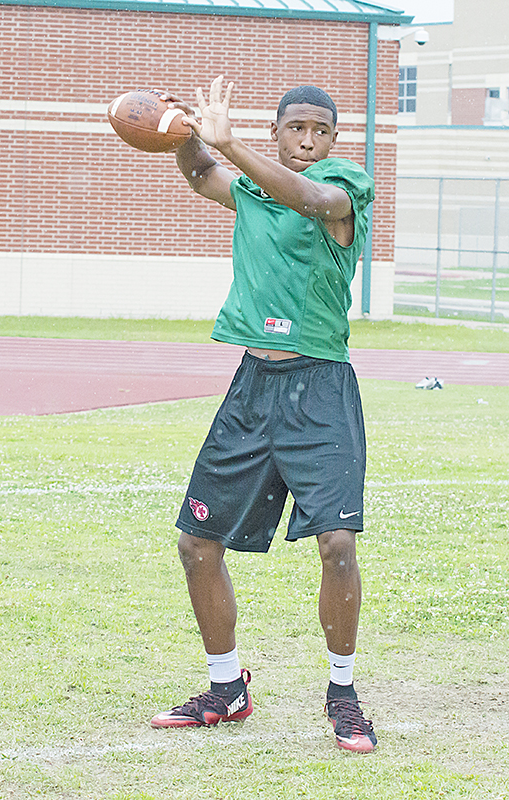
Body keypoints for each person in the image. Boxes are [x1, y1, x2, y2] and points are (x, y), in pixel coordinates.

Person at [148, 77, 377, 753]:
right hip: (252, 385)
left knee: (336, 546)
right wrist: (183, 132)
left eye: (319, 130)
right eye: (295, 128)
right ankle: (226, 688)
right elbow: (201, 178)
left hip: (318, 387)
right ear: (277, 130)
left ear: (333, 139)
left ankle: (342, 694)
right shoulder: (251, 184)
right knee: (196, 543)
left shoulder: (344, 186)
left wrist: (233, 147)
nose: (307, 141)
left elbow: (307, 198)